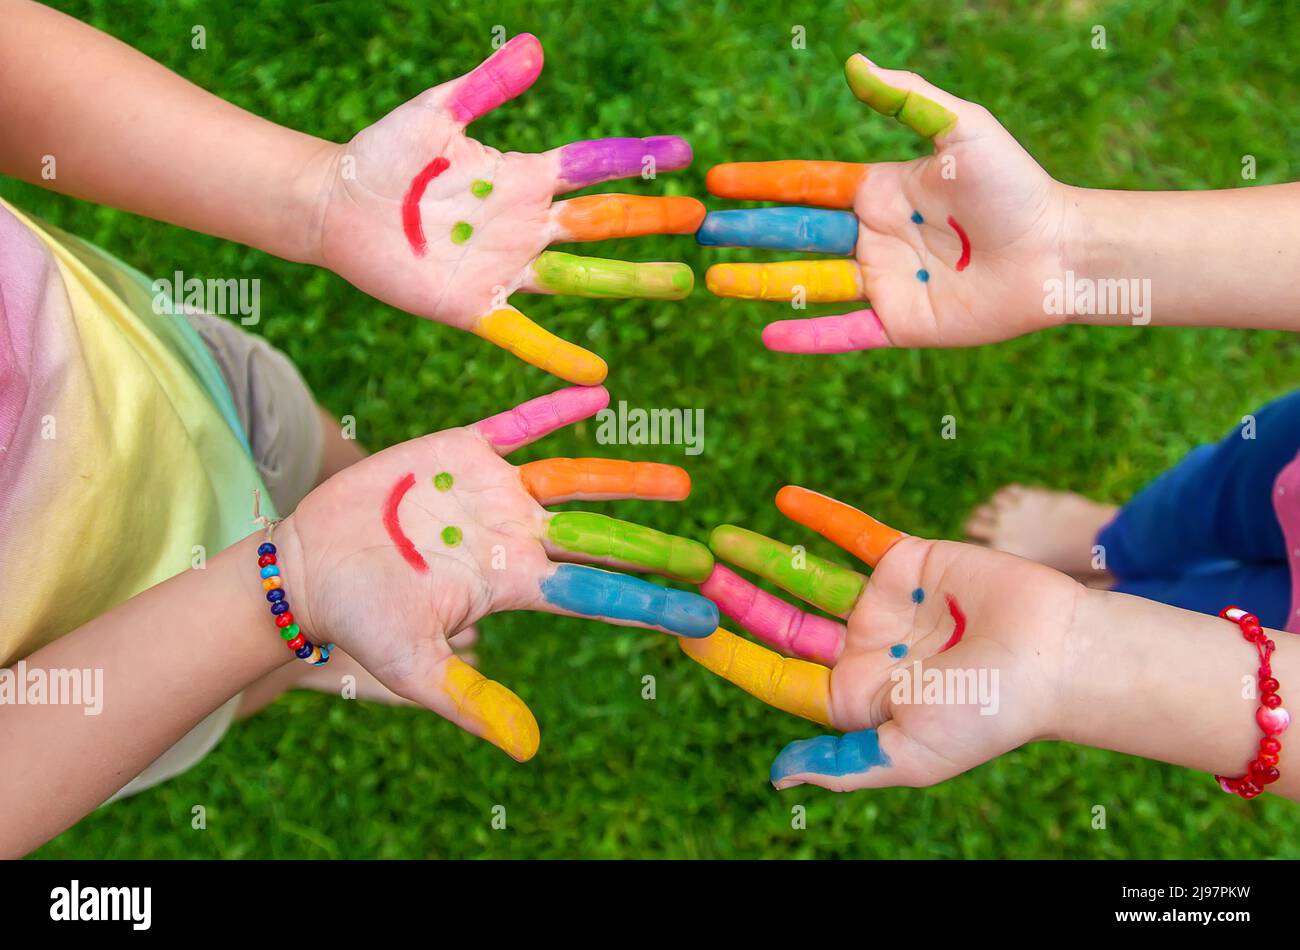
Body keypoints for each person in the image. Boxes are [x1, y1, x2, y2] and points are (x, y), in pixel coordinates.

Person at [0, 1, 712, 856]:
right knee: (242, 671)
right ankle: (313, 648)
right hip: (99, 652)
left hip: (169, 371)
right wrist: (290, 590)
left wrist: (317, 199)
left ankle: (340, 546)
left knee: (296, 436)